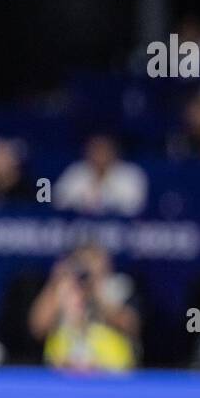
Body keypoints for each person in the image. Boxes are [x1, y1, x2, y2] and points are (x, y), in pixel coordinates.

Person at [29, 244, 140, 373]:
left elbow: (130, 326)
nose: (86, 273)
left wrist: (97, 288)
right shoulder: (66, 290)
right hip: (65, 371)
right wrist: (56, 281)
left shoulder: (119, 287)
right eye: (83, 264)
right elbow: (37, 327)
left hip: (112, 373)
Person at [54, 134, 148, 217]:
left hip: (119, 229)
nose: (99, 155)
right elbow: (58, 200)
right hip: (80, 227)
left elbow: (135, 206)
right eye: (95, 150)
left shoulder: (131, 173)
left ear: (114, 152)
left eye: (103, 150)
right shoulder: (76, 170)